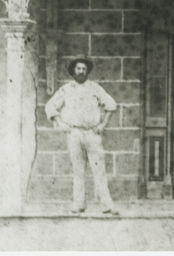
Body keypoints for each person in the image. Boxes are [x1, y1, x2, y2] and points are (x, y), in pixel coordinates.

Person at [44, 56, 119, 215]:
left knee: (98, 169)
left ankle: (106, 204)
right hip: (74, 132)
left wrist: (102, 125)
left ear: (87, 72)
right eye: (78, 69)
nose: (81, 71)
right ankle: (79, 204)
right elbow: (50, 106)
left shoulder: (95, 88)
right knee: (78, 170)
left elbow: (111, 105)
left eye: (84, 69)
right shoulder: (66, 89)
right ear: (73, 71)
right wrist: (61, 123)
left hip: (92, 132)